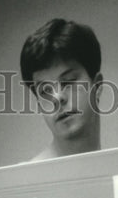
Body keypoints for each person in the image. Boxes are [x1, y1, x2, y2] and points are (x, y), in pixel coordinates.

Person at [20, 18, 103, 161]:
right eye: (45, 91)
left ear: (97, 86)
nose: (57, 98)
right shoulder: (26, 175)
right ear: (39, 105)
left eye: (68, 81)